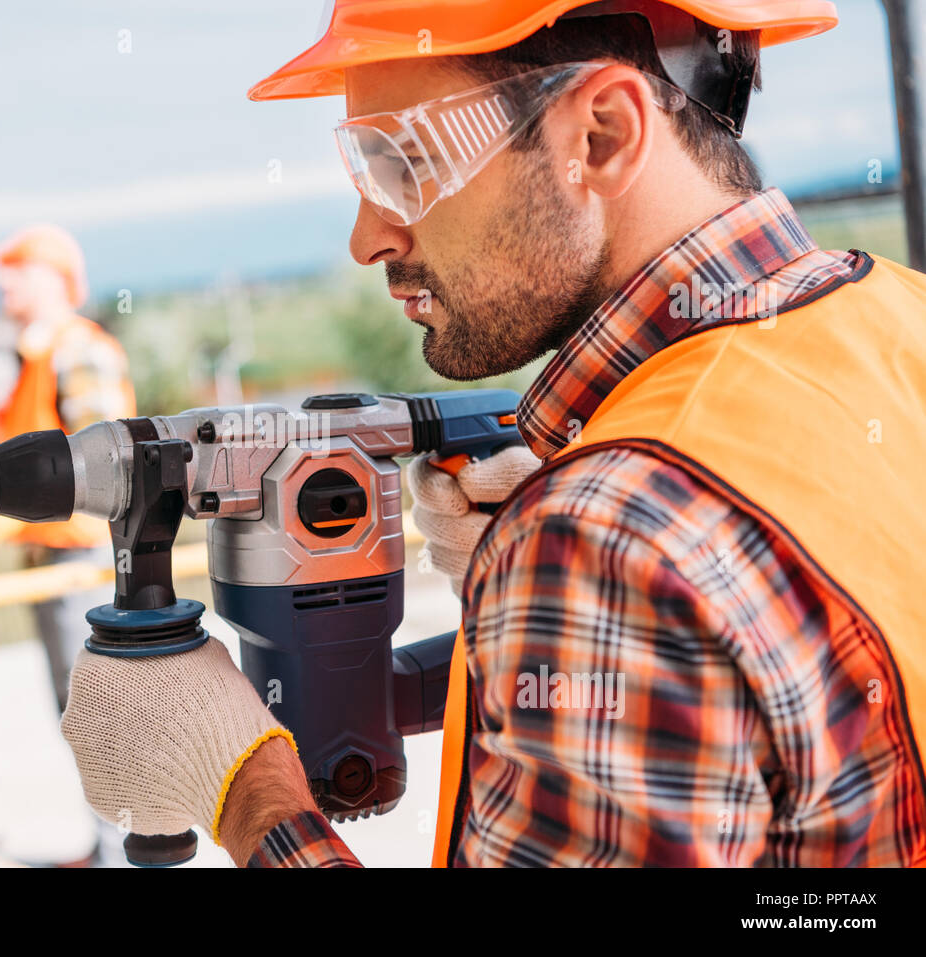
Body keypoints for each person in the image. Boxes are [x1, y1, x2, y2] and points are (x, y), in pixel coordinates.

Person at [57, 0, 926, 867]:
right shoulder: (901, 317)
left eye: (406, 161)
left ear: (602, 135)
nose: (369, 236)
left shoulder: (606, 537)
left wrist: (246, 792)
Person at [0, 225, 136, 714]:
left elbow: (104, 464)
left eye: (17, 273)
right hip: (51, 551)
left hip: (83, 556)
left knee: (96, 705)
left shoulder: (78, 349)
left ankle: (123, 793)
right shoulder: (37, 358)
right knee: (74, 704)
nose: (3, 285)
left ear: (55, 279)